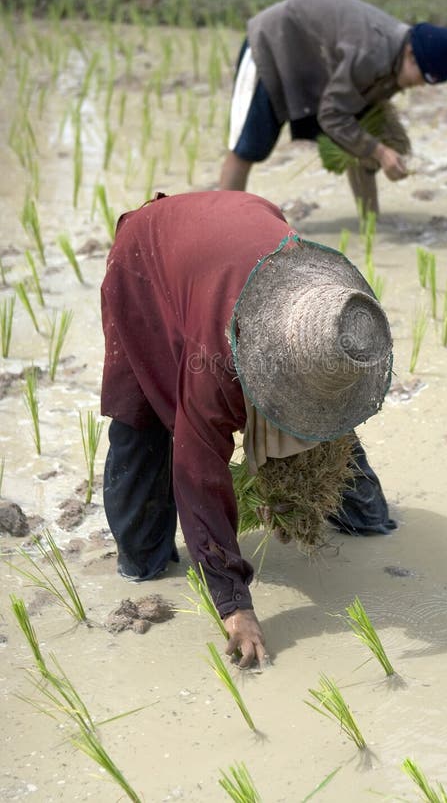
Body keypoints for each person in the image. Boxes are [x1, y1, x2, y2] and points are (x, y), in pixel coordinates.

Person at [101, 190, 395, 668]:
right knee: (144, 414)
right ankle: (141, 558)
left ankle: (368, 519)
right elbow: (197, 473)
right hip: (147, 258)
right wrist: (234, 603)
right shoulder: (217, 360)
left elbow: (328, 405)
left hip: (239, 229)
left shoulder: (335, 313)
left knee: (324, 405)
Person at [219, 0, 447, 215]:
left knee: (364, 136)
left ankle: (370, 219)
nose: (420, 85)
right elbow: (332, 116)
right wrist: (382, 153)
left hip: (313, 63)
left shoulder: (397, 59)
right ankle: (226, 227)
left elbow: (354, 129)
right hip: (273, 45)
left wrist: (375, 148)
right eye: (423, 77)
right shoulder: (371, 55)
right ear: (410, 54)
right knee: (248, 148)